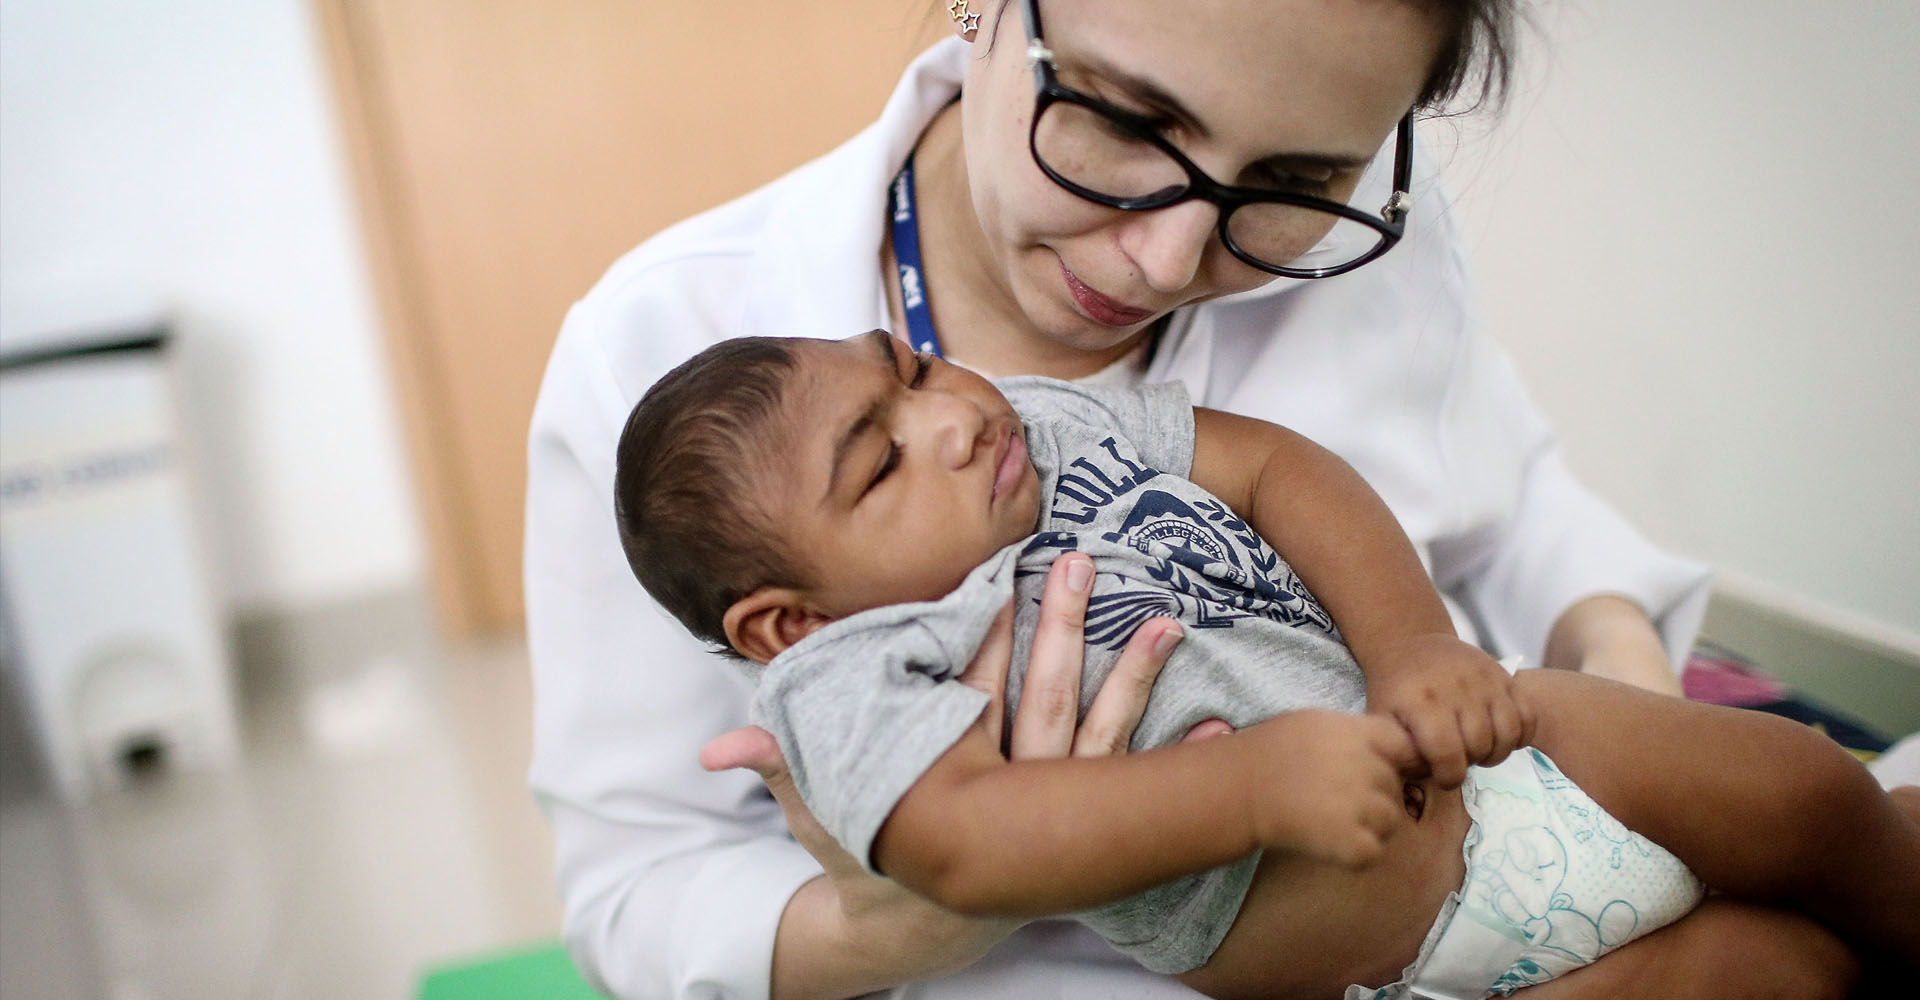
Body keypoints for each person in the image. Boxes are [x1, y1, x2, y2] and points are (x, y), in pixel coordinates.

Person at [525, 0, 1858, 995]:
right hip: (1273, 955)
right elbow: (639, 887)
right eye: (1123, 120)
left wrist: (1625, 690)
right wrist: (908, 921)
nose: (1164, 261)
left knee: (1813, 885)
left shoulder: (1358, 247)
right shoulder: (656, 349)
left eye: (1295, 181)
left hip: (1482, 797)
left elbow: (1506, 511)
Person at [607, 330, 1920, 998]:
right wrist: (1250, 791)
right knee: (1780, 977)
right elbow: (960, 844)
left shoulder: (1042, 429)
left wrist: (1412, 645)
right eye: (882, 461)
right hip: (1418, 956)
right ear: (786, 625)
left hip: (1509, 759)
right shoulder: (845, 680)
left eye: (914, 370)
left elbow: (1279, 467)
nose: (949, 416)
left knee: (1809, 798)